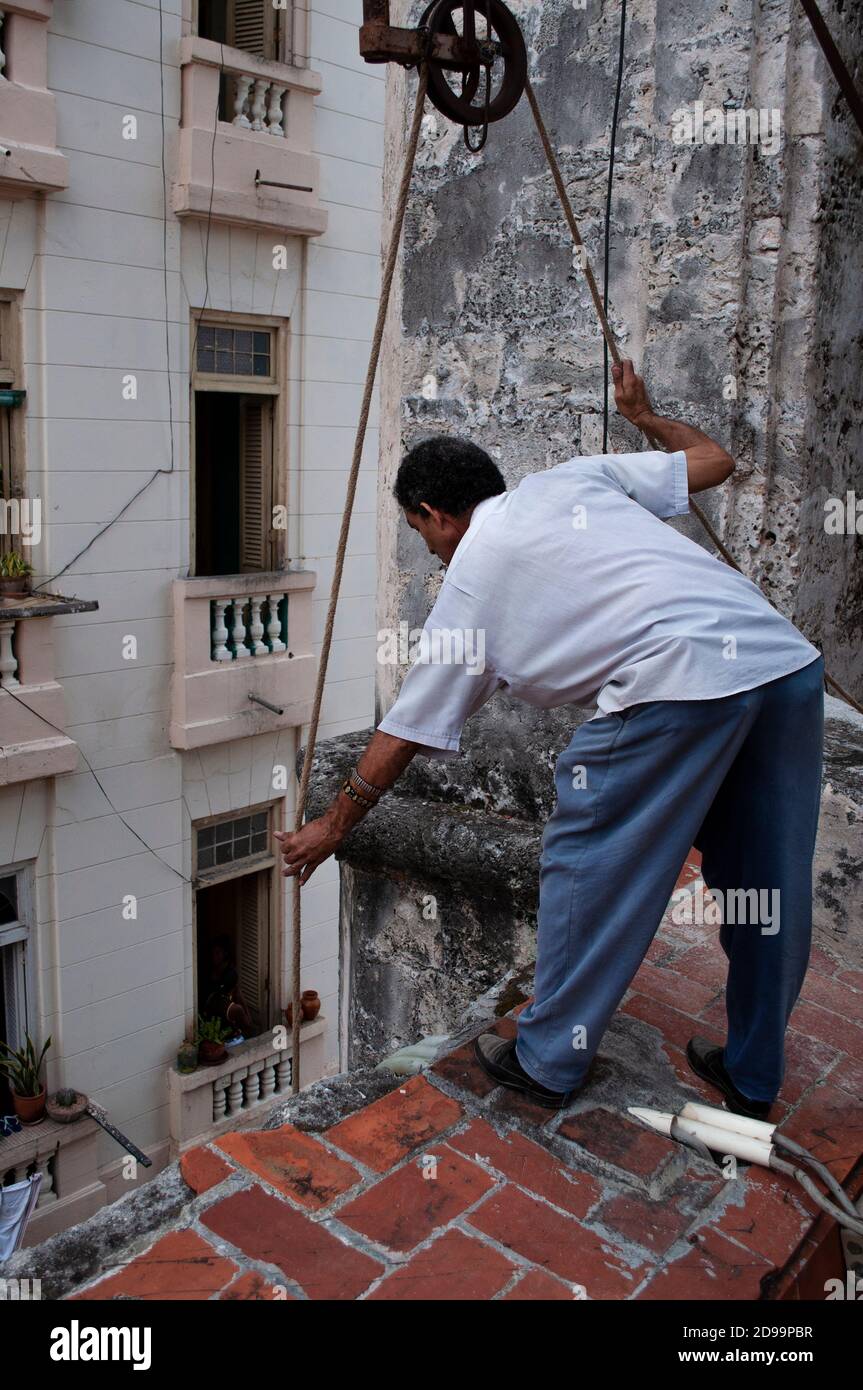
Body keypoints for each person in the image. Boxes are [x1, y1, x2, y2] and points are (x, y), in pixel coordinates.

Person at [275, 361, 824, 1120]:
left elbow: (399, 736)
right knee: (765, 883)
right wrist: (643, 415)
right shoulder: (570, 480)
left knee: (586, 857)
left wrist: (326, 832)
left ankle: (544, 1061)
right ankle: (752, 1073)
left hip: (680, 681)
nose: (430, 552)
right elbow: (713, 460)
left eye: (419, 534)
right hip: (783, 665)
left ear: (435, 514)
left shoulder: (468, 583)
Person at [202, 936, 254, 1036]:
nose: (214, 957)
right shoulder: (211, 971)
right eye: (213, 953)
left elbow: (237, 993)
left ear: (225, 954)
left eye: (218, 953)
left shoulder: (229, 974)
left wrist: (247, 1016)